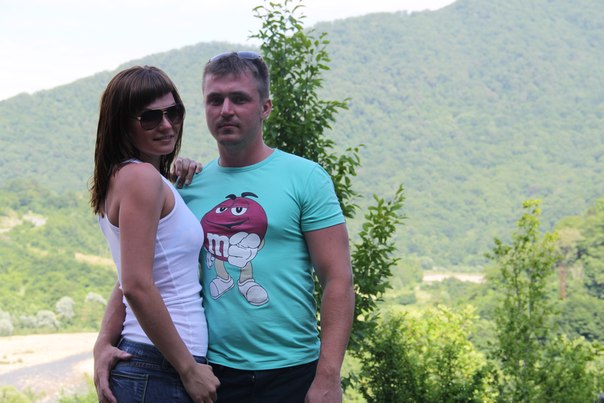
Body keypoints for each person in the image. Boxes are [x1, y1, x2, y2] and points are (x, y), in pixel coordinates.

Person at [95, 52, 355, 402]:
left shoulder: (306, 178)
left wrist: (328, 375)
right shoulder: (184, 187)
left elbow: (338, 279)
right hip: (212, 374)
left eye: (240, 99)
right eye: (215, 100)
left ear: (265, 107)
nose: (226, 110)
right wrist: (104, 341)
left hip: (293, 370)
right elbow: (141, 270)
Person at [90, 65, 219, 403]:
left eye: (173, 113)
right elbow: (135, 284)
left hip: (151, 363)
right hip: (161, 368)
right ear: (122, 124)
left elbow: (130, 276)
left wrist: (103, 341)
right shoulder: (141, 179)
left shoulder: (128, 177)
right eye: (149, 118)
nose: (166, 125)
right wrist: (188, 369)